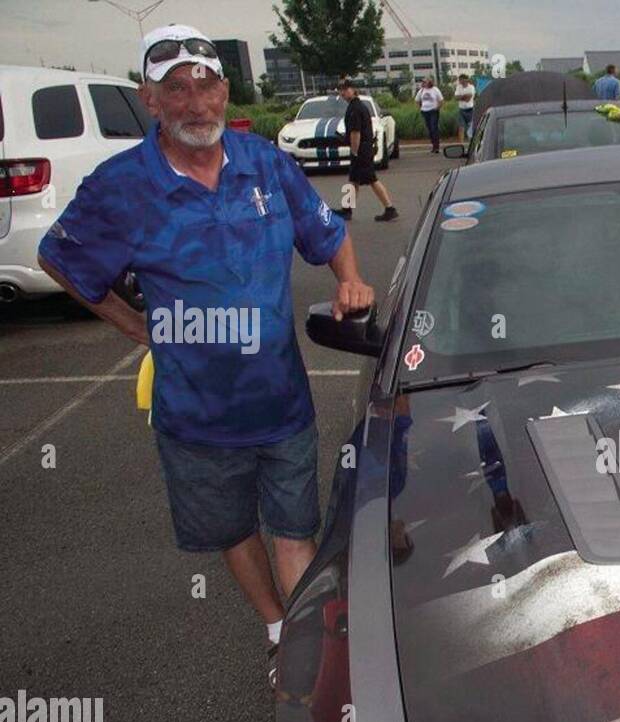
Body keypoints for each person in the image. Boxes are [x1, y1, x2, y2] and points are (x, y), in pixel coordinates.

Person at [36, 24, 375, 653]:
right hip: (195, 416)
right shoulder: (121, 186)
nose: (197, 103)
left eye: (207, 85)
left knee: (296, 529)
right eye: (177, 90)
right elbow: (60, 258)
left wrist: (350, 279)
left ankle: (300, 651)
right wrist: (136, 326)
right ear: (150, 99)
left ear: (225, 90)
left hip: (282, 402)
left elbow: (328, 231)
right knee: (231, 529)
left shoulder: (266, 163)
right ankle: (276, 623)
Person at [337, 79, 397, 222]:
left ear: (353, 90)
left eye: (345, 89)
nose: (343, 93)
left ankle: (390, 208)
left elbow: (356, 132)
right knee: (353, 180)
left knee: (371, 179)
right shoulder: (357, 106)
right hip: (365, 148)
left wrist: (354, 151)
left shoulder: (355, 109)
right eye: (341, 90)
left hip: (361, 150)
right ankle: (346, 209)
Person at [415, 76, 444, 153]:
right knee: (430, 129)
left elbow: (441, 100)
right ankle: (433, 145)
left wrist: (437, 108)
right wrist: (420, 108)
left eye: (425, 82)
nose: (423, 83)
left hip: (433, 111)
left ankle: (436, 146)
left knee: (434, 127)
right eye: (423, 82)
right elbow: (417, 100)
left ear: (429, 82)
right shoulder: (421, 91)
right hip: (425, 111)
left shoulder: (435, 90)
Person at [454, 73, 475, 143]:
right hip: (461, 110)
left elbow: (468, 98)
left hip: (470, 110)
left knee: (470, 128)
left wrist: (461, 97)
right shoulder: (458, 87)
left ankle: (471, 143)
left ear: (465, 80)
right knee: (461, 128)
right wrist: (464, 96)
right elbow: (456, 97)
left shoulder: (471, 87)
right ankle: (461, 144)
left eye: (461, 80)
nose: (460, 81)